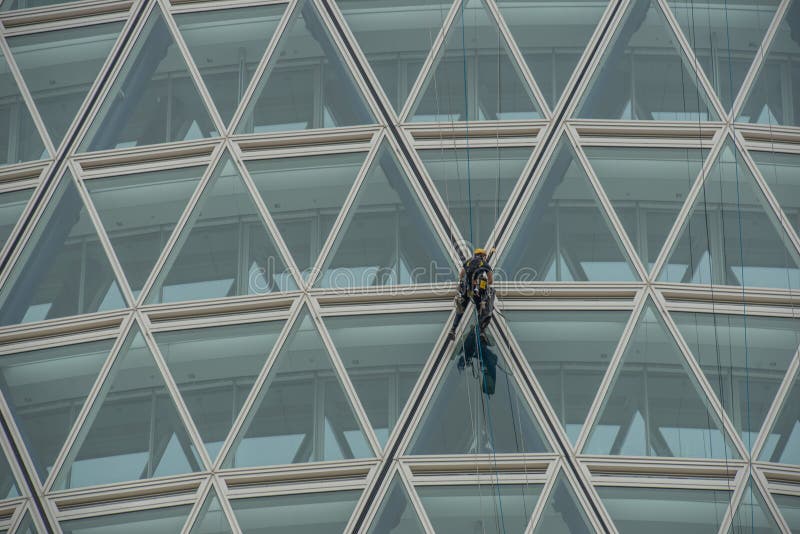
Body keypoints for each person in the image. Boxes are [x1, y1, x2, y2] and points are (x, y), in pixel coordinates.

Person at [447, 248, 495, 342]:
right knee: (481, 309)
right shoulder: (484, 264)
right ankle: (481, 331)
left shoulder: (468, 262)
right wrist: (484, 283)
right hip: (477, 290)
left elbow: (461, 274)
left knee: (461, 309)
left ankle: (453, 330)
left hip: (466, 289)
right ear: (483, 256)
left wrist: (461, 282)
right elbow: (490, 281)